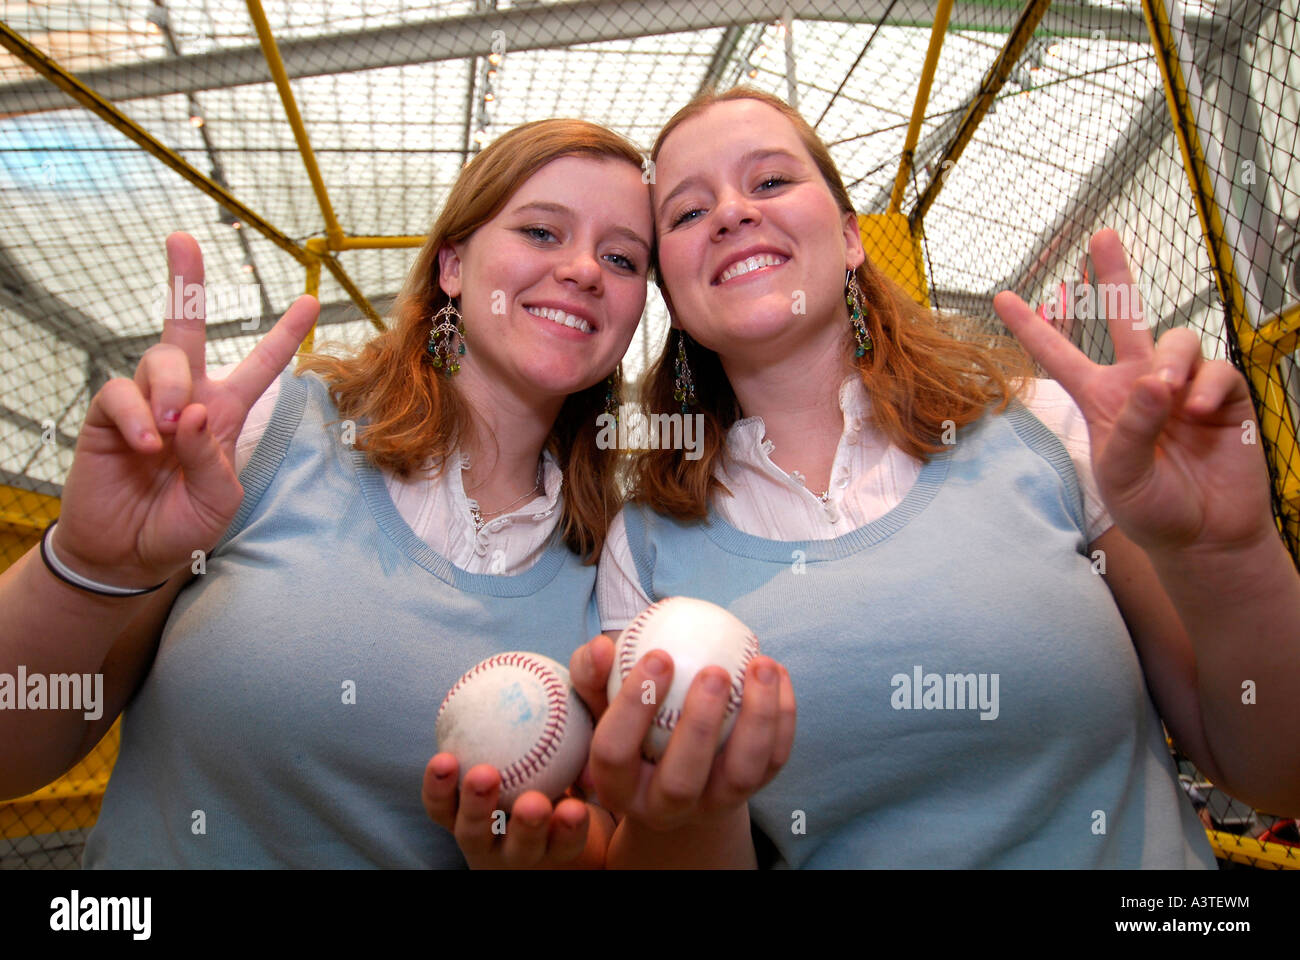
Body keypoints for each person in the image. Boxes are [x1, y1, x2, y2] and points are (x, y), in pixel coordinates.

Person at [571, 86, 1300, 868]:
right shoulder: (644, 548)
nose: (730, 212)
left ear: (853, 239)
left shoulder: (1045, 426)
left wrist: (1227, 555)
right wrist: (686, 817)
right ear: (671, 297)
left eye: (771, 181)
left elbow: (1276, 775)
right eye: (685, 213)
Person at [0, 118, 658, 868]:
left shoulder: (616, 561)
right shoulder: (265, 434)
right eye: (542, 232)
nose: (584, 269)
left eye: (622, 257)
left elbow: (612, 837)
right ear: (451, 264)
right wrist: (88, 566)